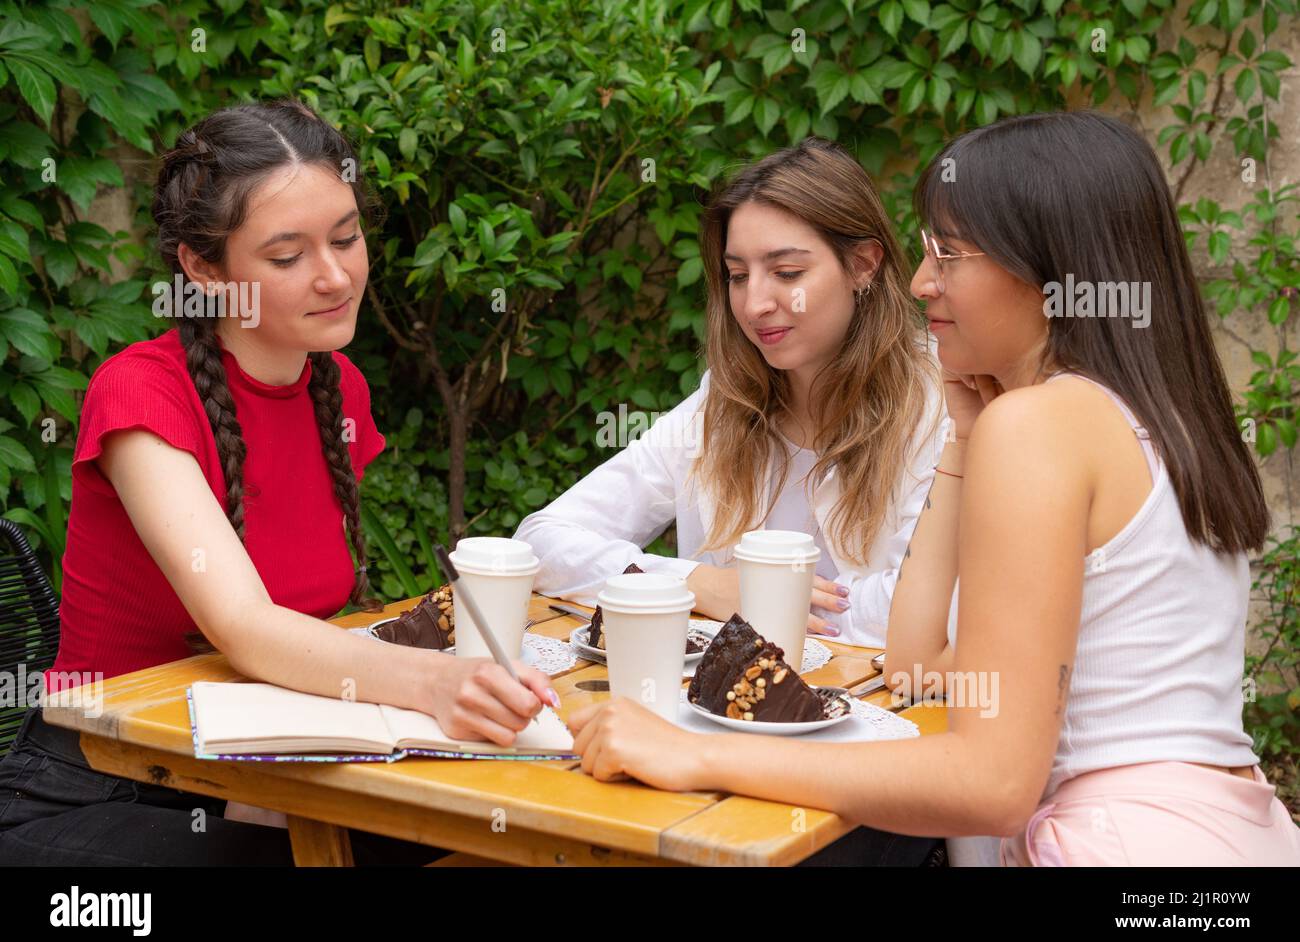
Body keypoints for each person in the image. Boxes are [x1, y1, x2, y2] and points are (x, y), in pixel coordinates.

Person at [566, 111, 1300, 866]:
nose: (920, 284)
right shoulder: (1155, 418)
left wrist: (695, 754)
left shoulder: (1044, 426)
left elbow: (989, 783)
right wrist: (961, 438)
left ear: (1050, 271)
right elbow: (917, 667)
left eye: (948, 255)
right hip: (1223, 837)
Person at [0, 100, 557, 866]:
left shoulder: (341, 392)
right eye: (288, 256)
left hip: (269, 763)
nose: (335, 276)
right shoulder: (140, 396)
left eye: (348, 237)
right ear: (203, 268)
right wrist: (435, 682)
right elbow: (246, 627)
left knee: (511, 836)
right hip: (104, 790)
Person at [515, 137, 947, 649]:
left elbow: (922, 611)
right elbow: (540, 542)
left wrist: (765, 604)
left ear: (864, 266)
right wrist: (703, 585)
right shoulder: (723, 401)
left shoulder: (941, 402)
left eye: (787, 273)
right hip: (717, 713)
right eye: (738, 275)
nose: (754, 303)